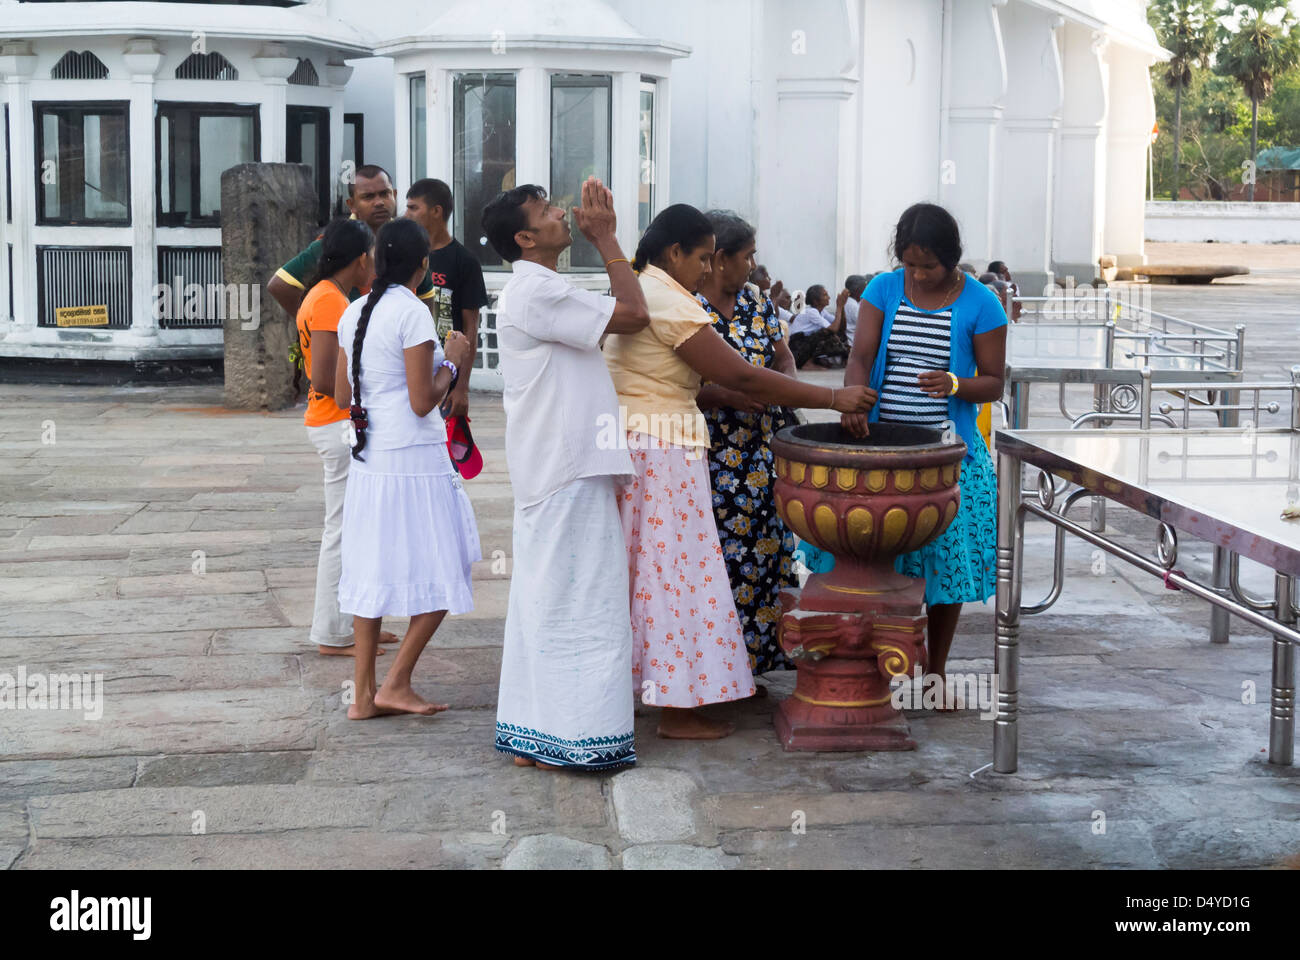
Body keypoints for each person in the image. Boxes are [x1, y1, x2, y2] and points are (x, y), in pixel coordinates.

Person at [604, 203, 874, 739]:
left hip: (646, 444)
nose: (708, 270)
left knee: (645, 576)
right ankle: (679, 711)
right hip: (663, 448)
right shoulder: (667, 298)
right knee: (674, 576)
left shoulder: (653, 289)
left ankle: (649, 693)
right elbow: (743, 378)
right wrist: (833, 396)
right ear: (674, 252)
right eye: (702, 258)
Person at [482, 178, 649, 770]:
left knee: (548, 600)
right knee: (584, 603)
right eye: (550, 212)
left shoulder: (540, 286)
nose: (564, 216)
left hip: (560, 463)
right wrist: (607, 240)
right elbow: (633, 313)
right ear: (526, 238)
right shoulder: (534, 290)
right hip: (567, 466)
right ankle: (576, 738)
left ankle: (534, 731)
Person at [843, 203, 1007, 702]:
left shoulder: (983, 304)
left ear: (952, 259)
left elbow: (995, 383)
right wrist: (853, 399)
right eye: (910, 264)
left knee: (943, 564)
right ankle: (879, 667)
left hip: (946, 452)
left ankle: (933, 674)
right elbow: (861, 355)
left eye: (928, 266)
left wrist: (956, 382)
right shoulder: (884, 289)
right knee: (878, 558)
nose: (917, 274)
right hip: (883, 446)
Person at [333, 218, 479, 719]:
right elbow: (423, 400)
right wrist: (454, 362)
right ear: (424, 266)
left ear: (375, 261)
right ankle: (396, 682)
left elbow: (339, 395)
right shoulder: (412, 313)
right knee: (447, 562)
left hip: (371, 460)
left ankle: (362, 695)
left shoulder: (354, 313)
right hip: (413, 458)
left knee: (371, 570)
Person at [694, 210, 800, 682]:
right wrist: (731, 395)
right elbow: (680, 383)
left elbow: (783, 357)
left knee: (765, 555)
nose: (753, 266)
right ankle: (716, 670)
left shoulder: (757, 303)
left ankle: (752, 666)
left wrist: (785, 390)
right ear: (719, 260)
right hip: (710, 457)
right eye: (747, 256)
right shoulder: (687, 307)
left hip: (761, 454)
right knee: (718, 564)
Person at [295, 217, 401, 658]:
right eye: (371, 256)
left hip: (334, 422)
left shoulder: (329, 296)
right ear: (361, 259)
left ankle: (355, 626)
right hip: (335, 423)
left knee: (351, 529)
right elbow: (321, 376)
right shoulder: (328, 302)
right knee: (341, 530)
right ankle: (335, 632)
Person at [269, 165, 442, 316]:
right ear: (351, 204)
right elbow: (280, 285)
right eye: (368, 197)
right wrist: (312, 324)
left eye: (385, 194)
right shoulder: (335, 242)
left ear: (394, 195)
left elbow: (425, 296)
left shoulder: (409, 239)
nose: (379, 202)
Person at [404, 178, 490, 419]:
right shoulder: (405, 256)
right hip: (411, 369)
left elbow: (470, 328)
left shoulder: (465, 261)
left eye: (413, 207)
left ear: (436, 211)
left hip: (447, 371)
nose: (406, 214)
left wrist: (462, 387)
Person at [788, 284, 848, 368]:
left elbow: (841, 327)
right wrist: (839, 307)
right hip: (796, 348)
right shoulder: (811, 312)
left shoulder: (823, 312)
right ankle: (806, 363)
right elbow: (833, 329)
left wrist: (842, 307)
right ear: (816, 301)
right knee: (825, 333)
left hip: (803, 345)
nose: (829, 297)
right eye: (825, 295)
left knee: (840, 335)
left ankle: (819, 360)